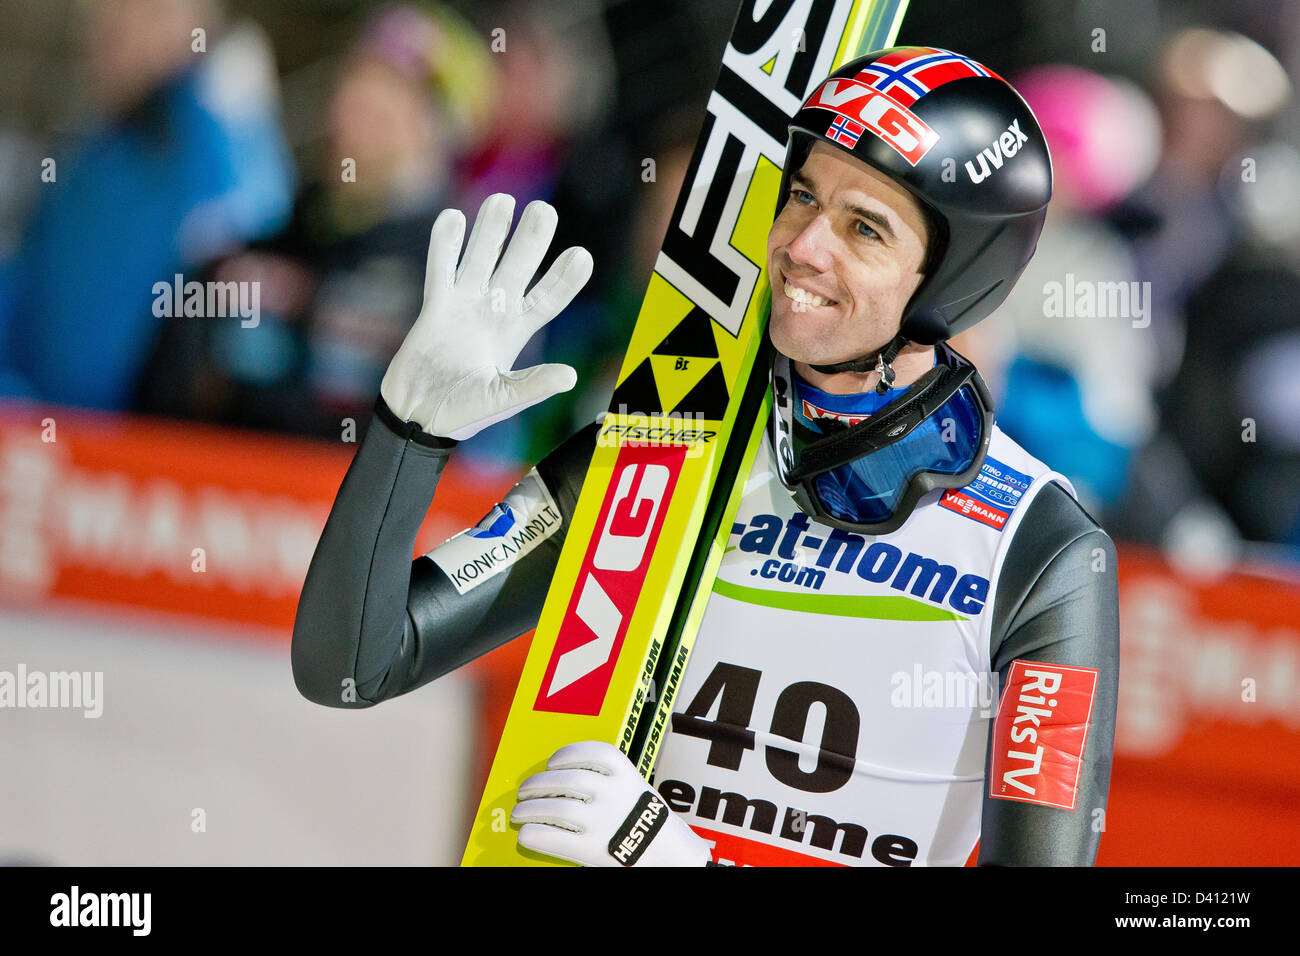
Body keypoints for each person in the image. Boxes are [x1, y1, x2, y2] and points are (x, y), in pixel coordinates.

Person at [292, 47, 1119, 867]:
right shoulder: (661, 445)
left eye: (864, 227)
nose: (803, 246)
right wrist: (409, 431)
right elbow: (351, 668)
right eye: (803, 196)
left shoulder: (1041, 548)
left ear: (952, 280)